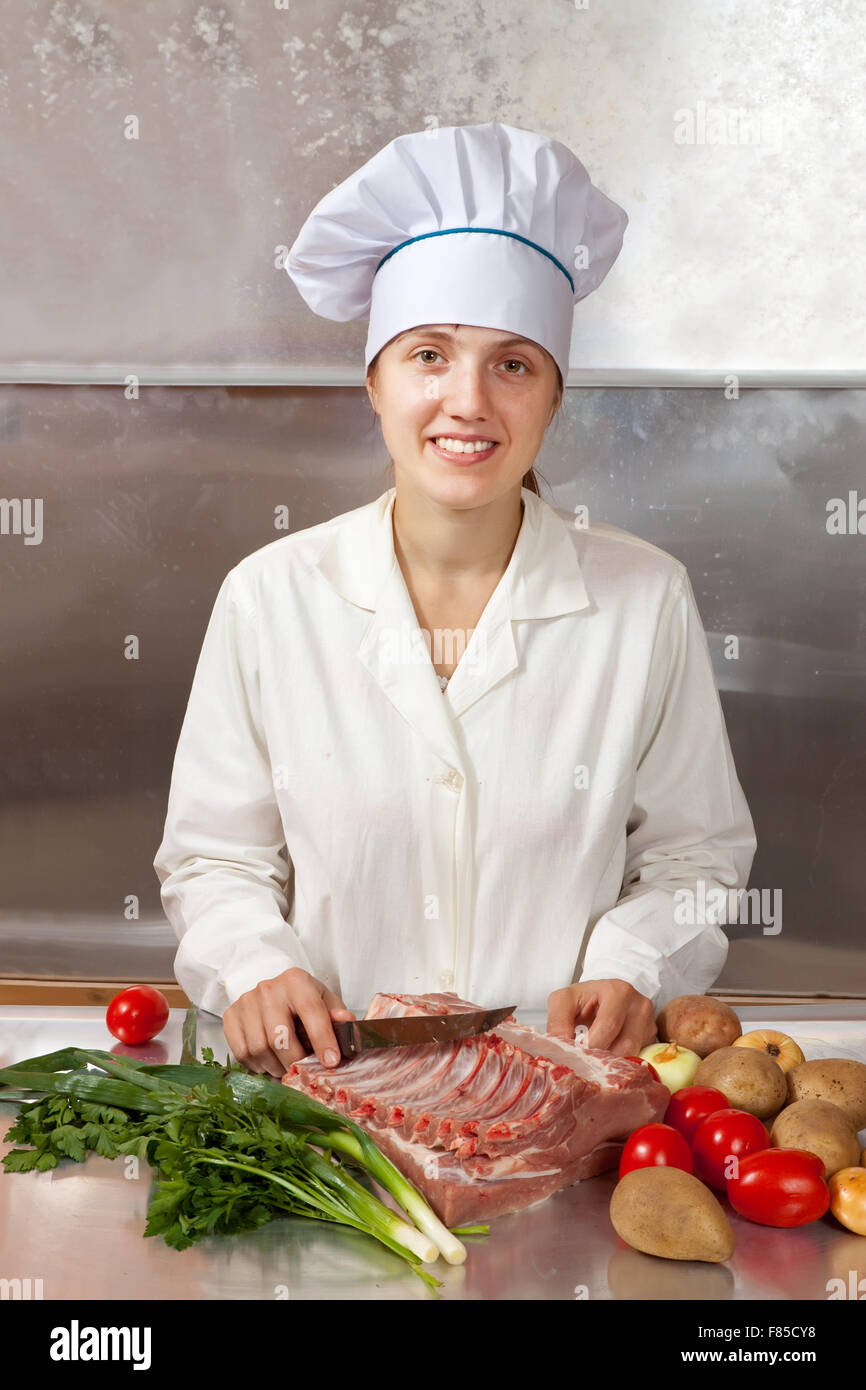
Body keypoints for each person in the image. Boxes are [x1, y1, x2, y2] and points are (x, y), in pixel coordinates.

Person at [153, 122, 757, 1079]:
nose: (468, 401)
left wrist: (635, 964)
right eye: (428, 355)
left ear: (554, 397)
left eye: (512, 363)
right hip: (332, 1097)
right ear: (375, 383)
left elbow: (696, 858)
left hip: (558, 1099)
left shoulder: (645, 598)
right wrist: (254, 963)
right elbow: (215, 860)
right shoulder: (270, 597)